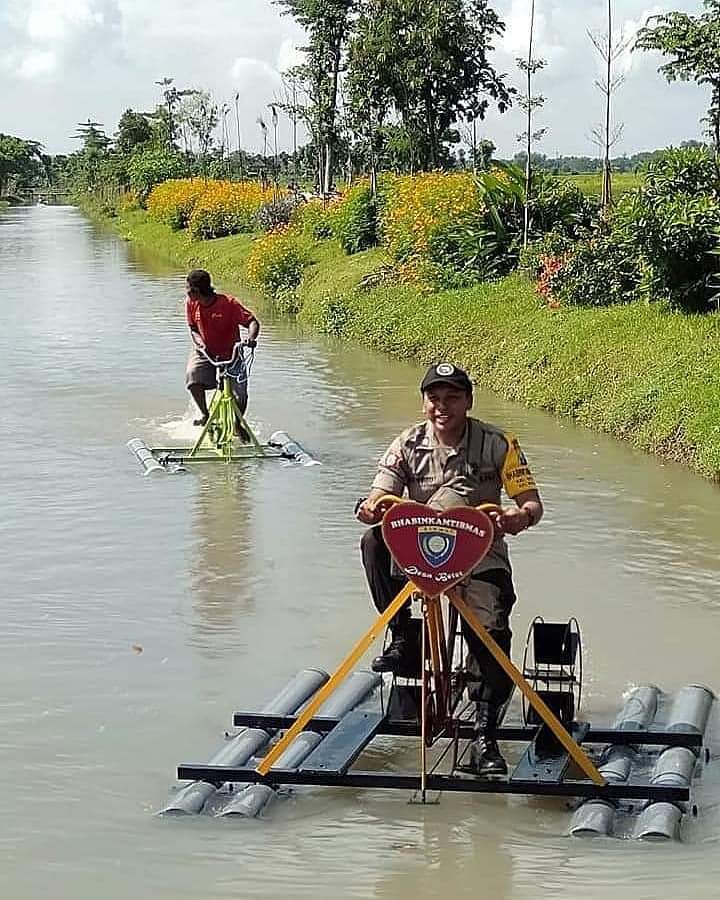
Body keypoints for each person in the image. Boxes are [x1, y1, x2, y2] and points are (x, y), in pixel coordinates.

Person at [356, 362, 543, 777]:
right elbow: (380, 494)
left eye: (452, 398)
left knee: (490, 629)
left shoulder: (499, 442)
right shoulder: (406, 443)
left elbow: (531, 502)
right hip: (421, 552)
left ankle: (483, 730)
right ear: (424, 404)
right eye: (434, 398)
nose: (443, 407)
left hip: (479, 554)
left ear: (468, 402)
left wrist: (518, 517)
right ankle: (406, 634)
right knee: (373, 542)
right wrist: (371, 507)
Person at [184, 269, 260, 427]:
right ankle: (205, 414)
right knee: (193, 377)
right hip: (204, 352)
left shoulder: (228, 303)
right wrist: (199, 342)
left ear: (196, 291)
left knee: (241, 395)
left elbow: (252, 322)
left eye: (188, 289)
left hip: (232, 353)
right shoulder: (191, 303)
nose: (186, 292)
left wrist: (251, 338)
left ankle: (237, 424)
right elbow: (193, 328)